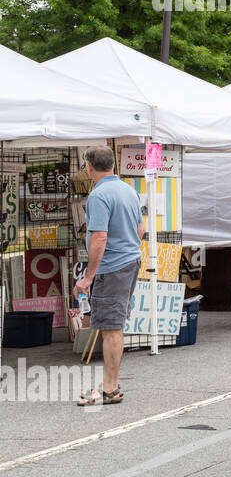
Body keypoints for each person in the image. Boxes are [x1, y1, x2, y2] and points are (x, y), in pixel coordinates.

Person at [74, 146, 145, 406]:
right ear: (112, 165)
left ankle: (110, 388)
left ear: (89, 168)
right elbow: (141, 229)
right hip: (129, 260)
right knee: (113, 325)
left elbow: (99, 237)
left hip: (112, 266)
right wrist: (129, 249)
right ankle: (109, 385)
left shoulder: (98, 195)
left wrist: (88, 276)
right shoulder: (128, 190)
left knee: (111, 328)